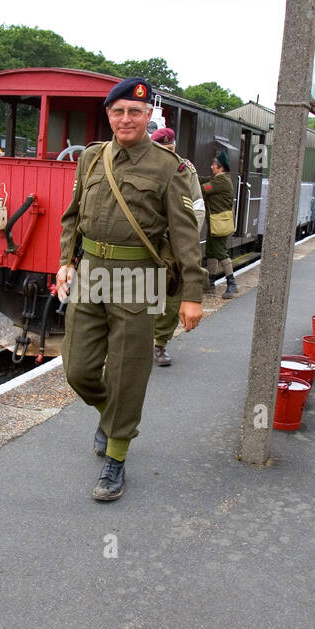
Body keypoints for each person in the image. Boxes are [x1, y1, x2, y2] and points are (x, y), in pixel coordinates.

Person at [55, 78, 204, 501]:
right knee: (78, 369)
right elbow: (72, 216)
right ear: (109, 115)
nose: (126, 119)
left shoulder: (168, 167)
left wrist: (191, 294)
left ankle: (116, 458)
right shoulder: (90, 159)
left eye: (135, 112)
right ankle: (110, 415)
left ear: (147, 116)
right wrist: (67, 260)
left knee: (127, 370)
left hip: (139, 277)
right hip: (90, 273)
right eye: (119, 111)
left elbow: (185, 235)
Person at [149, 127, 205, 367]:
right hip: (145, 242)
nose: (168, 154)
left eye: (171, 149)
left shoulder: (184, 169)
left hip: (172, 243)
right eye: (164, 149)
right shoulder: (141, 165)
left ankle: (159, 344)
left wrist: (181, 241)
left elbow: (198, 206)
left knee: (172, 295)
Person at [201, 151, 238, 296]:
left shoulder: (221, 181)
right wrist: (190, 174)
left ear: (221, 168)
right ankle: (210, 283)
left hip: (219, 222)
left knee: (220, 252)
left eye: (213, 165)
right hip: (215, 222)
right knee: (211, 251)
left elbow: (205, 188)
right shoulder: (219, 179)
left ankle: (232, 283)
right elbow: (204, 180)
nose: (211, 167)